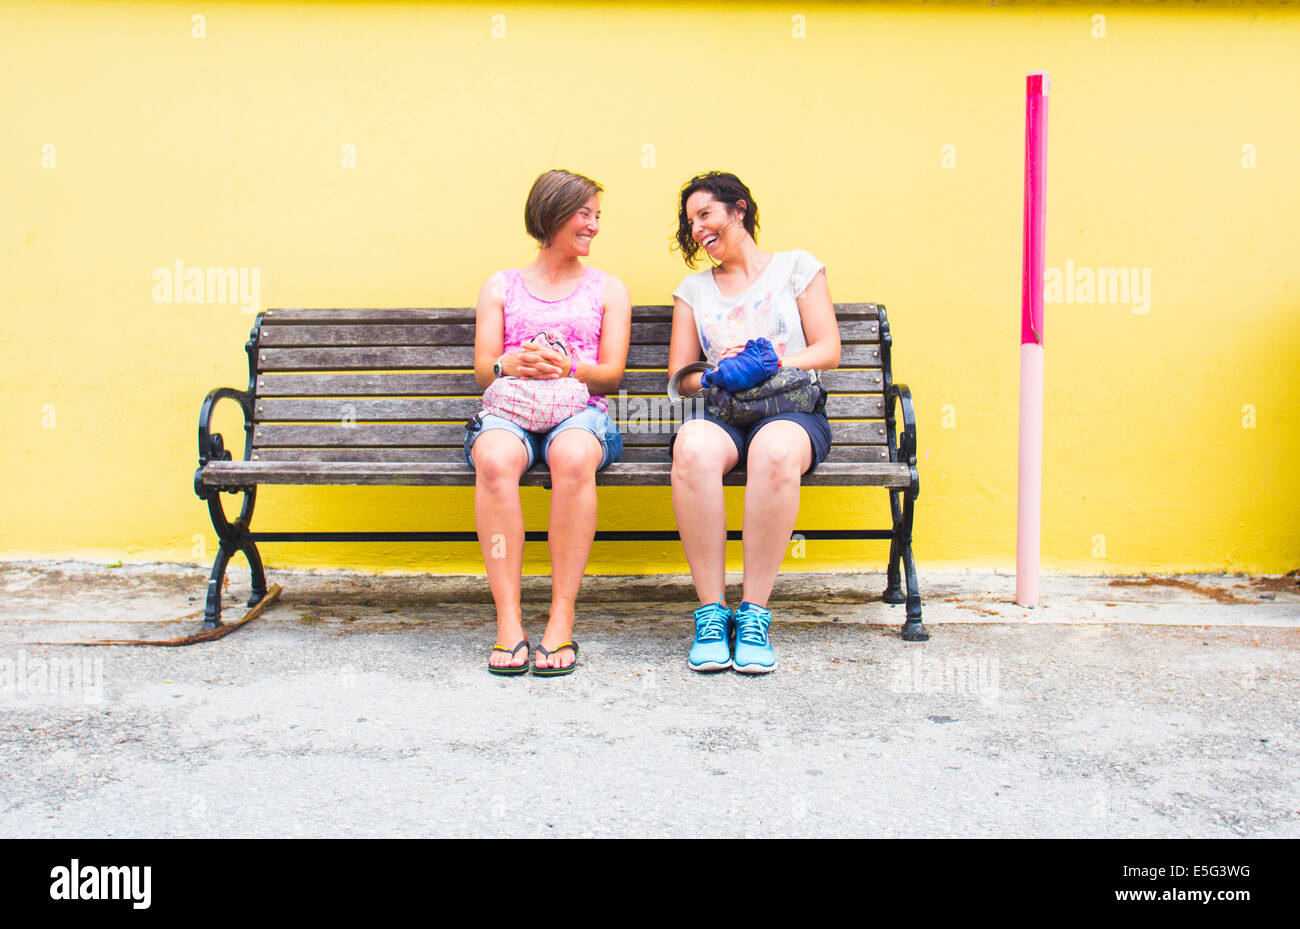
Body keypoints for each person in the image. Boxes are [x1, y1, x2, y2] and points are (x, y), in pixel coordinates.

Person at [667, 172, 841, 674]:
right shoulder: (693, 290)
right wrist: (722, 372)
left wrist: (771, 362)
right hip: (724, 411)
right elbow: (682, 377)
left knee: (776, 451)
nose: (698, 229)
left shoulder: (796, 268)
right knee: (693, 448)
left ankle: (755, 613)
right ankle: (710, 615)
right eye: (691, 223)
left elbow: (827, 350)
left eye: (706, 215)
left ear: (738, 209)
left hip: (790, 410)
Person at [467, 169, 631, 676]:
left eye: (597, 216)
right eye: (585, 214)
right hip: (510, 411)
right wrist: (509, 364)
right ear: (552, 214)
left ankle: (561, 616)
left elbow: (611, 376)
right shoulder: (500, 286)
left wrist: (569, 367)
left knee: (573, 455)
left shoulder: (609, 288)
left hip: (579, 410)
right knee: (494, 460)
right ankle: (509, 622)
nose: (594, 227)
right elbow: (483, 370)